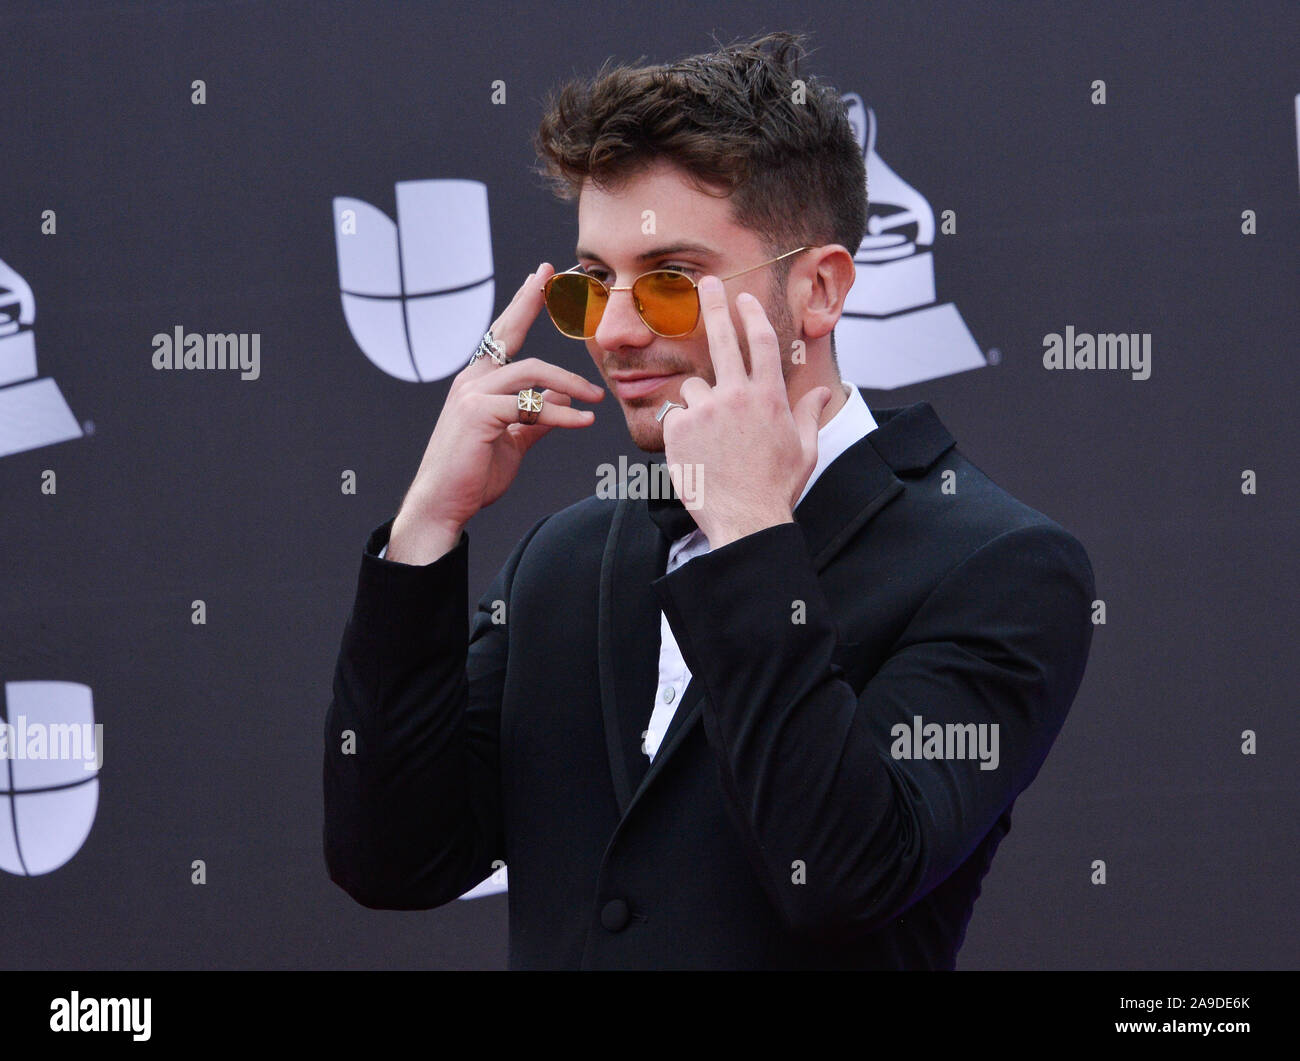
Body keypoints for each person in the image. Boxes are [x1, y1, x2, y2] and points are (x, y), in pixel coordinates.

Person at [323, 31, 1095, 969]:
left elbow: (840, 874)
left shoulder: (997, 565)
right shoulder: (566, 559)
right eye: (592, 283)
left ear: (818, 290)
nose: (610, 331)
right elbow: (392, 859)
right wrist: (425, 532)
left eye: (670, 283)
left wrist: (749, 534)